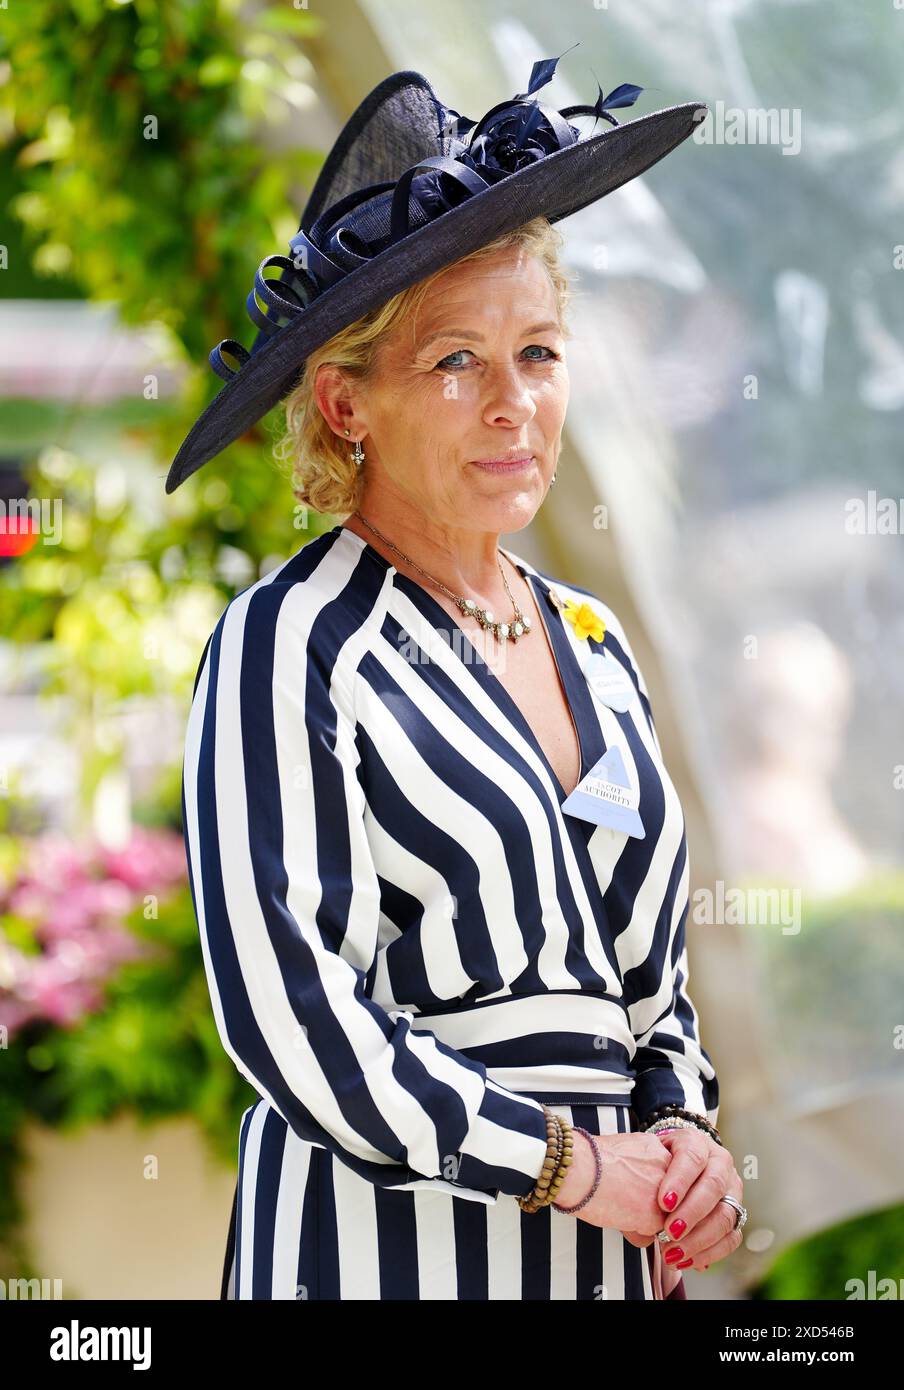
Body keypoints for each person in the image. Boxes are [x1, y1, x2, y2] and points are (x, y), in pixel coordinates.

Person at [171, 59, 745, 1300]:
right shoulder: (288, 643)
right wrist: (573, 1167)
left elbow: (653, 994)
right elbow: (294, 1019)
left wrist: (687, 1135)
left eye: (537, 352)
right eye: (453, 362)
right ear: (344, 401)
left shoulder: (594, 639)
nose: (512, 406)